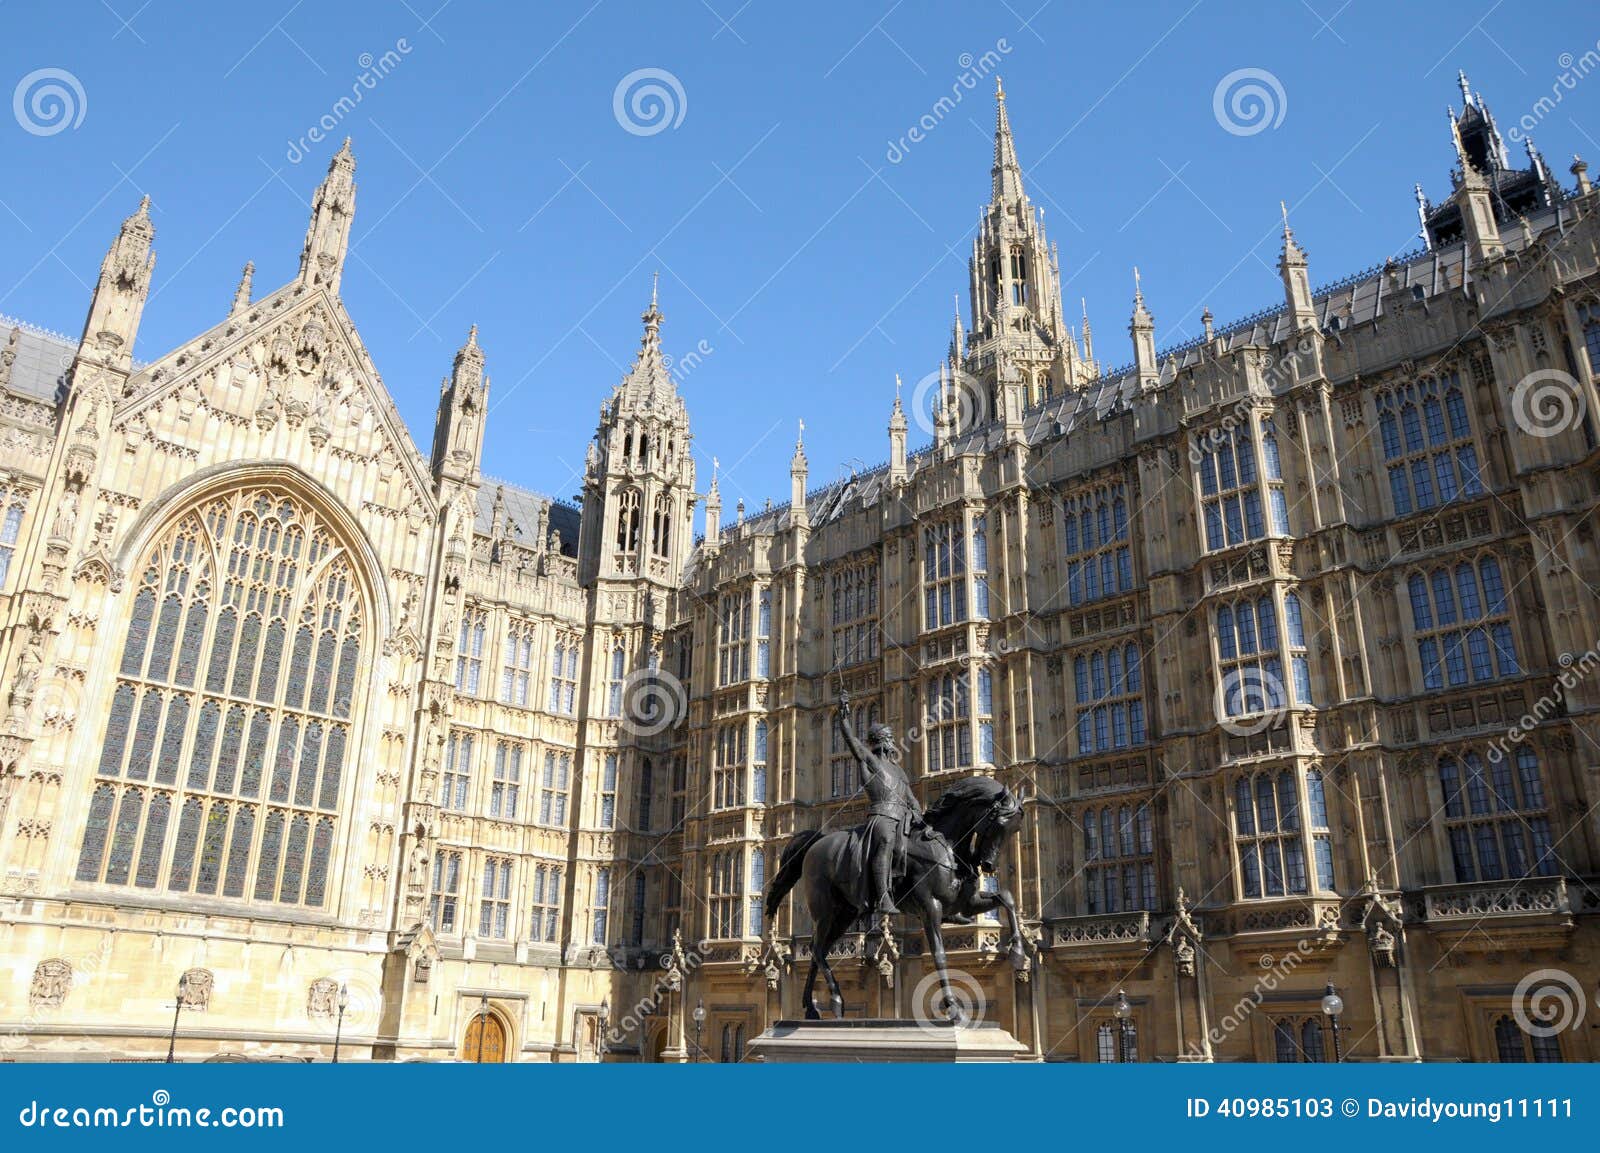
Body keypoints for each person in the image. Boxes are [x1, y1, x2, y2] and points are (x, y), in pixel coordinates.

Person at [837, 690, 923, 917]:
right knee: (885, 839)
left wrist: (917, 812)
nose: (893, 742)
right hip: (882, 816)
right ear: (881, 742)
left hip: (903, 818)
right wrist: (843, 715)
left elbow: (911, 798)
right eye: (889, 738)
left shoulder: (899, 770)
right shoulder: (870, 760)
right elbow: (851, 740)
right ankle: (884, 897)